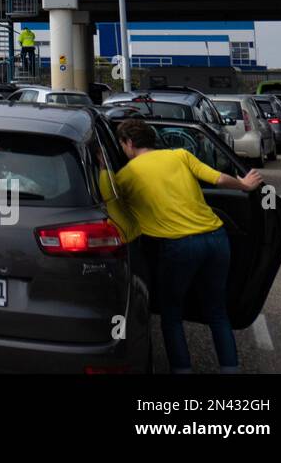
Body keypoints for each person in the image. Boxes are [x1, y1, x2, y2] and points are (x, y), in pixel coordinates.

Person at [113, 118, 263, 373]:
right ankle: (230, 368)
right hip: (216, 237)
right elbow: (219, 179)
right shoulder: (180, 155)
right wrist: (245, 185)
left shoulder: (125, 176)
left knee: (171, 315)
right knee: (217, 310)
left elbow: (114, 205)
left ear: (128, 143)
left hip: (179, 246)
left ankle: (182, 370)